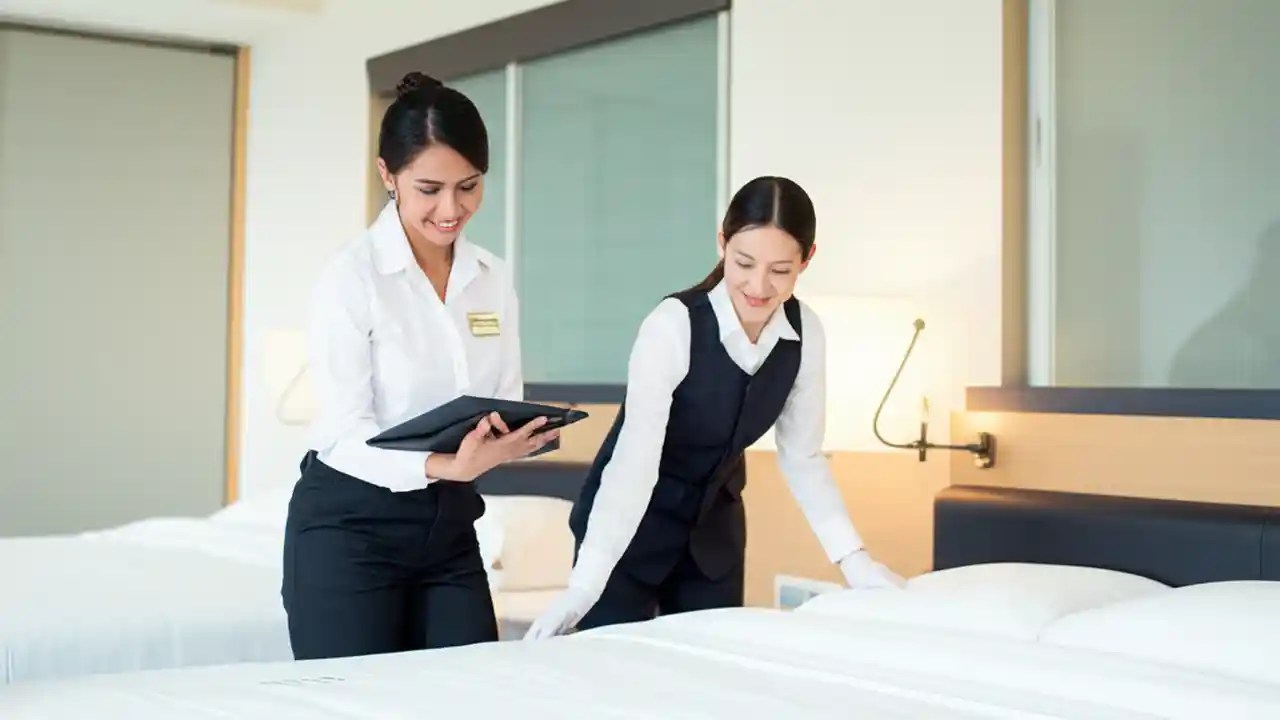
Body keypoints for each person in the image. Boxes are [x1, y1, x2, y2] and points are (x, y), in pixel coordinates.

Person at [525, 176, 904, 640]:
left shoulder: (807, 335)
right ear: (723, 242)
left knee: (711, 679)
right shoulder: (673, 326)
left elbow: (802, 456)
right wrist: (583, 588)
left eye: (781, 270)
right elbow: (634, 460)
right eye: (743, 263)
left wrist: (854, 561)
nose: (759, 286)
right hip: (627, 530)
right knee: (616, 679)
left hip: (713, 536)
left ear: (808, 259)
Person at [282, 71, 558, 660]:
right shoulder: (351, 278)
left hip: (450, 532)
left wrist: (513, 440)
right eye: (429, 188)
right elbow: (341, 431)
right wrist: (444, 465)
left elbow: (504, 393)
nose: (451, 209)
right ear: (388, 175)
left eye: (469, 186)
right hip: (351, 529)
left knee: (468, 696)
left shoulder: (492, 277)